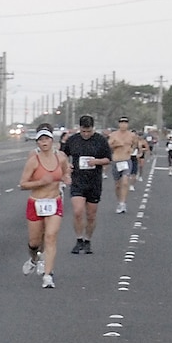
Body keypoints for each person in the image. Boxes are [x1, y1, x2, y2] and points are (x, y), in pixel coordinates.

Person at [17, 123, 70, 289]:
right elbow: (22, 184)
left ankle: (48, 275)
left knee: (50, 237)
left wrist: (67, 177)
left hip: (54, 201)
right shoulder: (33, 161)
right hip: (36, 202)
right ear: (37, 143)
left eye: (46, 139)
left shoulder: (61, 157)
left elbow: (66, 171)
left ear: (52, 140)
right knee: (34, 242)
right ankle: (34, 259)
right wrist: (40, 182)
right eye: (40, 140)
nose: (44, 142)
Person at [61, 114, 112, 255]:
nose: (86, 134)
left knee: (91, 215)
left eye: (88, 131)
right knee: (78, 212)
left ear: (93, 129)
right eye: (83, 131)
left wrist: (96, 162)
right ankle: (78, 240)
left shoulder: (100, 140)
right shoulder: (73, 140)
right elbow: (62, 155)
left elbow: (108, 159)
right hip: (78, 180)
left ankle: (87, 240)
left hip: (94, 181)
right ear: (80, 128)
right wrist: (67, 165)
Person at [107, 116, 137, 214]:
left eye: (125, 123)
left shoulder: (132, 135)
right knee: (117, 185)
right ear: (119, 124)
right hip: (116, 160)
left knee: (125, 182)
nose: (123, 124)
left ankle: (123, 203)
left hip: (126, 160)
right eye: (122, 122)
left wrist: (132, 149)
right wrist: (116, 145)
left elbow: (135, 144)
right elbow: (108, 146)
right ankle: (119, 201)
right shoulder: (113, 135)